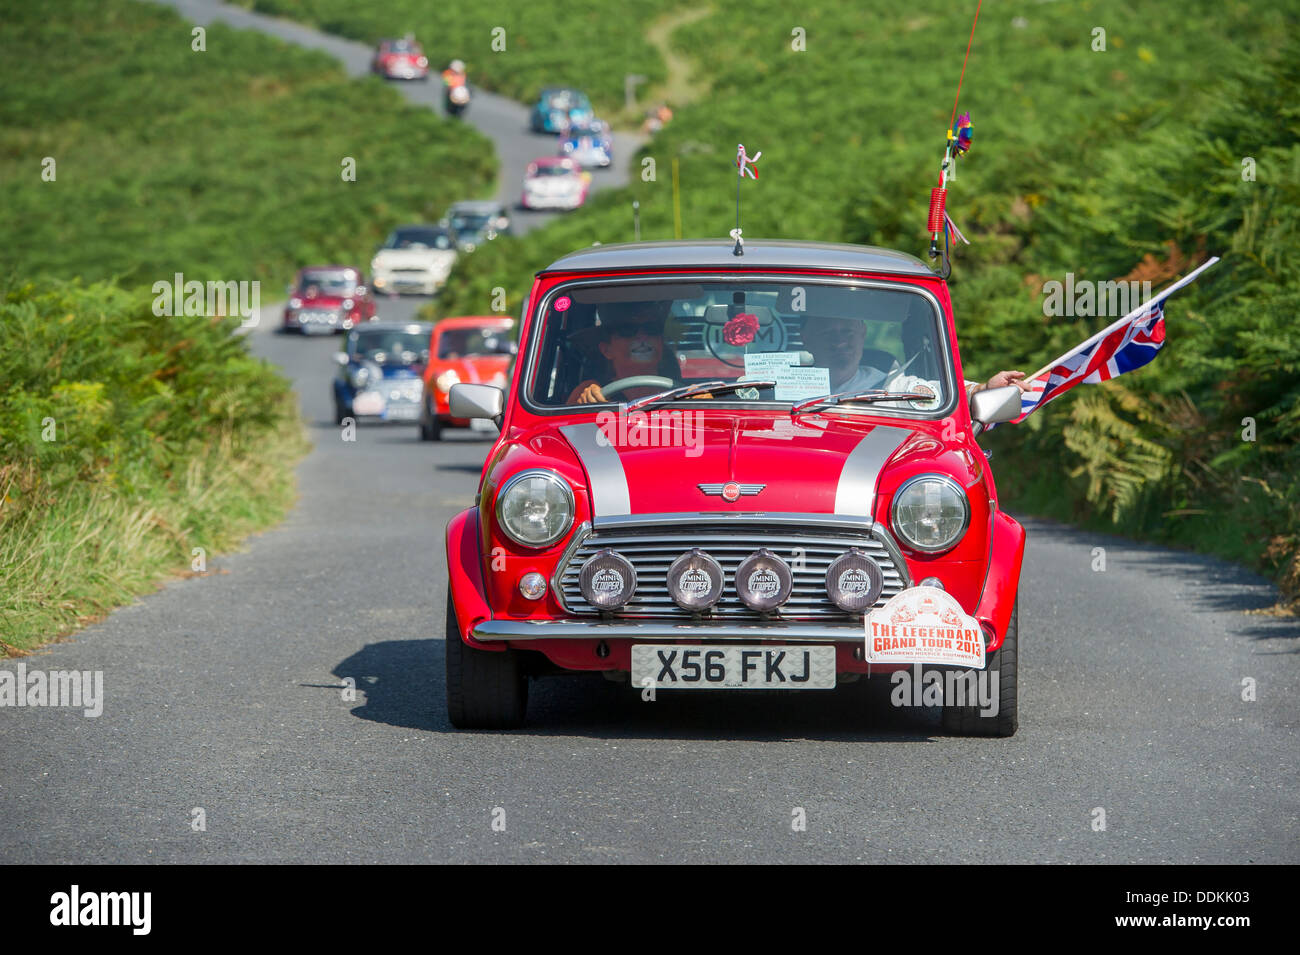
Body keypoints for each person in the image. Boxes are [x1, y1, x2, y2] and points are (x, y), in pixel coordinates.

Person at [800, 315, 1030, 406]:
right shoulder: (782, 386)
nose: (840, 341)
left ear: (862, 335)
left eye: (848, 332)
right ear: (806, 339)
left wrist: (984, 388)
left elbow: (941, 394)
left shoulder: (890, 386)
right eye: (828, 333)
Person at [567, 303, 674, 404]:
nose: (642, 336)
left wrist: (689, 396)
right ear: (606, 350)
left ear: (661, 343)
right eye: (627, 330)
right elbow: (566, 422)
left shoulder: (682, 394)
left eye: (651, 329)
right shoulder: (589, 391)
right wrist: (586, 399)